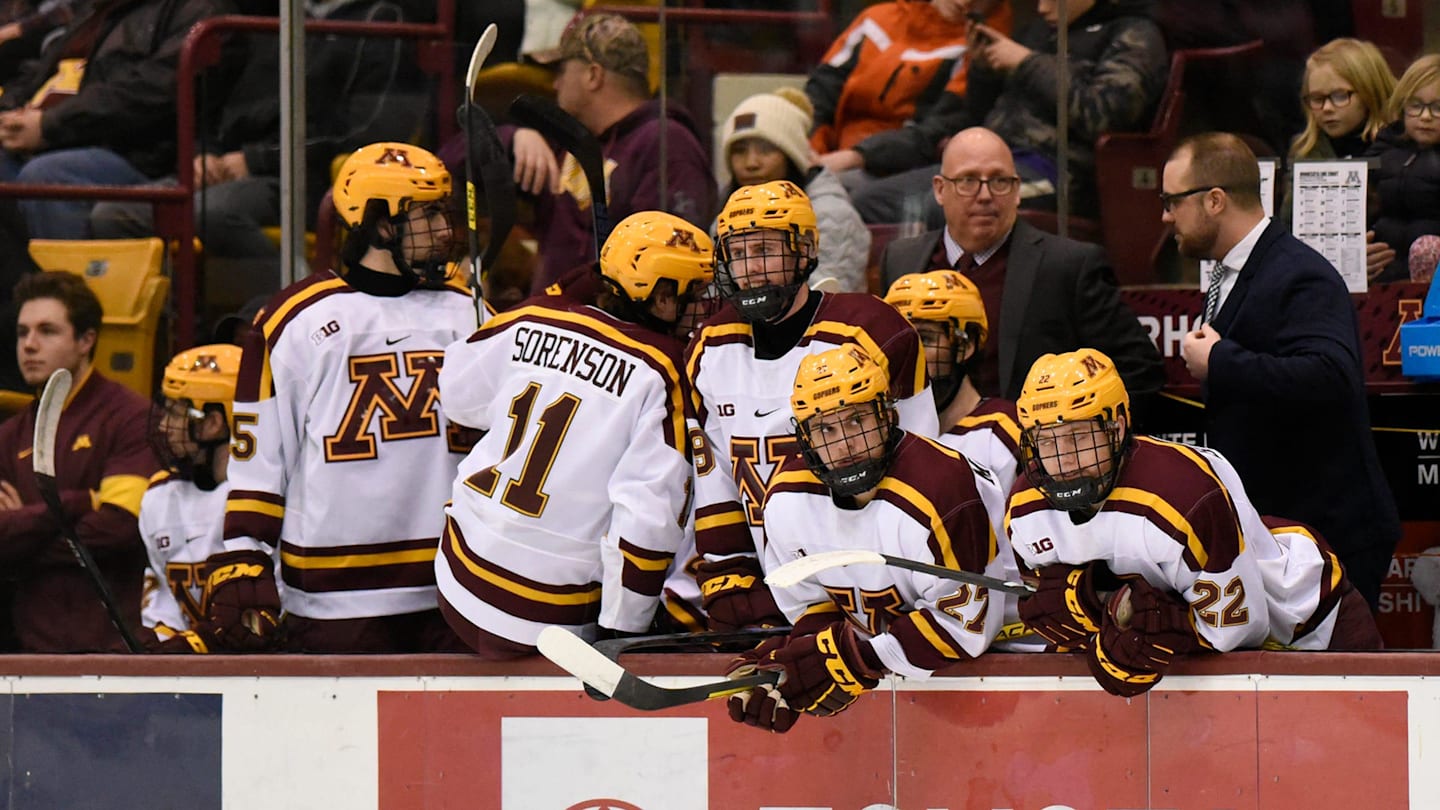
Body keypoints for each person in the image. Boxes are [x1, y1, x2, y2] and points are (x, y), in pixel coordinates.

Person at [206, 142, 477, 654]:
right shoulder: (295, 319)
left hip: (452, 587)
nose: (444, 230)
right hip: (337, 596)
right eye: (427, 215)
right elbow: (259, 459)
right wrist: (245, 551)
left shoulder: (468, 311)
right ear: (380, 225)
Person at [1007, 349, 1381, 697]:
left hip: (1305, 627)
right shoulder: (1024, 511)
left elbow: (1239, 631)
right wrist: (1095, 610)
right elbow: (1056, 611)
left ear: (1117, 428)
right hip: (1207, 654)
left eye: (1078, 437)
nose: (1066, 461)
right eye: (1047, 442)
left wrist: (1155, 624)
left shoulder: (1184, 495)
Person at [434, 210, 709, 658]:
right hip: (549, 616)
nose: (704, 304)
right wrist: (626, 630)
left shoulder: (534, 315)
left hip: (457, 576)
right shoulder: (664, 371)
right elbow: (646, 520)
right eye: (694, 291)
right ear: (660, 297)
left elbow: (458, 396)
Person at [686, 180, 937, 633]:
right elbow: (717, 477)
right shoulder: (709, 346)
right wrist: (730, 577)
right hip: (775, 595)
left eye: (766, 250)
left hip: (877, 589)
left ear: (805, 251)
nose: (752, 269)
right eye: (739, 253)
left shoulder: (874, 330)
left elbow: (922, 469)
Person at [725, 344, 1016, 733]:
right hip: (901, 677)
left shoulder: (942, 489)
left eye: (856, 421)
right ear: (803, 437)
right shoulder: (786, 499)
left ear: (887, 416)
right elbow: (812, 603)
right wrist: (802, 662)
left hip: (1005, 670)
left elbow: (965, 629)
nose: (842, 444)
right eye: (825, 428)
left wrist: (853, 660)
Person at [1172, 131, 1400, 610]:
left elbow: (1330, 376)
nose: (1166, 215)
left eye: (1174, 201)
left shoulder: (1299, 273)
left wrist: (1219, 361)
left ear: (1214, 201)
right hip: (1283, 534)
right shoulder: (1231, 270)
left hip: (1328, 539)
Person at [90, 0, 429, 318]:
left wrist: (255, 160)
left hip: (310, 179)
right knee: (114, 214)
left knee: (213, 210)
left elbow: (370, 132)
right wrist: (204, 154)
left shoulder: (381, 19)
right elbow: (214, 107)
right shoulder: (268, 17)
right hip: (231, 171)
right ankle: (181, 330)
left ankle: (308, 312)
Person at [879, 127, 1163, 412]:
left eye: (1000, 181)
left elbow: (1140, 371)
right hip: (927, 448)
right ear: (940, 189)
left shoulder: (1068, 266)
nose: (985, 195)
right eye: (968, 181)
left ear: (1016, 191)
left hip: (1024, 449)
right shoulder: (902, 260)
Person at [855, 0, 1166, 225]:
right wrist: (983, 71)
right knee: (868, 201)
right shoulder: (1036, 34)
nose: (1043, 8)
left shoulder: (1134, 34)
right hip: (990, 161)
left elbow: (1107, 112)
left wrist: (1026, 63)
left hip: (1062, 173)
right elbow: (976, 116)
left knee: (937, 208)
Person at [0, 270, 156, 651]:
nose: (30, 345)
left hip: (114, 652)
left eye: (47, 331)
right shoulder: (9, 435)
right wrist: (79, 502)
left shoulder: (130, 417)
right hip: (26, 657)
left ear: (87, 340)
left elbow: (119, 528)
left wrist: (24, 530)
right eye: (22, 333)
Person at [507, 12, 714, 292]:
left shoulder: (667, 145)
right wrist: (514, 137)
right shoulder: (564, 138)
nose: (555, 84)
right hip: (554, 324)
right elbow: (454, 162)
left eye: (562, 71)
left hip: (611, 331)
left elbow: (669, 266)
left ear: (593, 75)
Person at [0, 0, 233, 239]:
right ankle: (25, 273)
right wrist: (7, 112)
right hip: (64, 134)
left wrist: (48, 125)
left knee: (49, 175)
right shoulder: (97, 12)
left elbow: (151, 90)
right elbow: (36, 74)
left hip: (139, 154)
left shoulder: (198, 10)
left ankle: (70, 276)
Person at [805, 0, 1012, 207]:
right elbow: (819, 96)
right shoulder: (876, 19)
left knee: (828, 196)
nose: (964, 1)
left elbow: (937, 131)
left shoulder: (986, 47)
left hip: (897, 165)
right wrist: (811, 154)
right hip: (831, 153)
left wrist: (856, 156)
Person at [138, 344, 242, 654]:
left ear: (212, 423)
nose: (162, 426)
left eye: (174, 412)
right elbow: (162, 611)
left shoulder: (263, 500)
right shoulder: (159, 496)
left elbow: (262, 618)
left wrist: (192, 648)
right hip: (190, 678)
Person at [717, 87, 869, 293]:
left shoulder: (832, 215)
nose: (751, 163)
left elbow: (826, 301)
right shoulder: (727, 218)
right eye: (739, 151)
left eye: (766, 149)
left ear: (793, 157)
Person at [885, 269, 1021, 493]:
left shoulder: (1006, 430)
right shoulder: (884, 435)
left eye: (925, 339)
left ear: (965, 346)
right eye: (903, 340)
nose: (910, 354)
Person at [1278, 38, 1395, 242]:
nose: (1327, 108)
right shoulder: (1305, 151)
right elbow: (1289, 228)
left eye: (1340, 96)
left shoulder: (1399, 147)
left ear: (1370, 92)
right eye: (1317, 99)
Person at [1364, 54, 1440, 284]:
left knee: (1427, 249)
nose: (1425, 117)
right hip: (1385, 273)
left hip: (1433, 279)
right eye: (1416, 105)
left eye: (1438, 108)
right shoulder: (1383, 150)